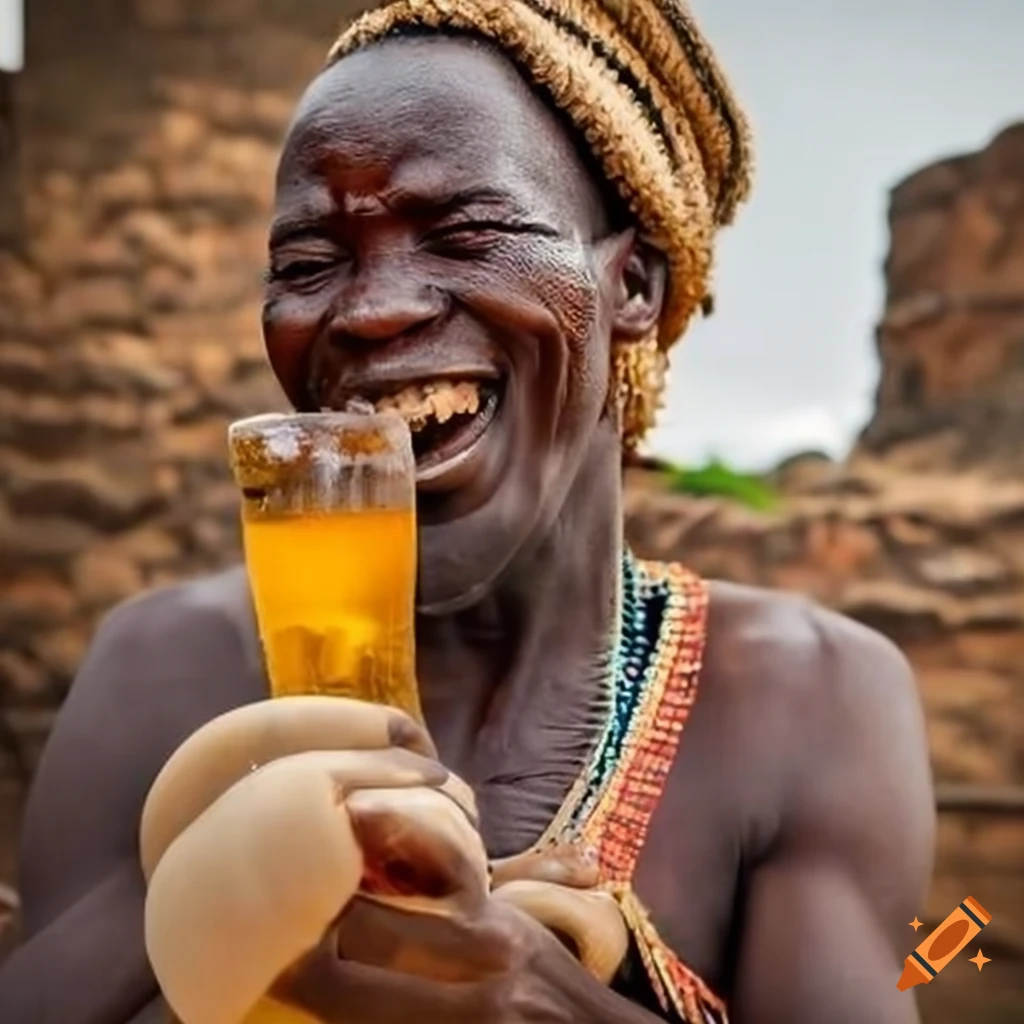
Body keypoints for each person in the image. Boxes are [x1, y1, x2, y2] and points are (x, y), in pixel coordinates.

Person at [0, 2, 936, 1023]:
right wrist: (196, 879)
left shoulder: (805, 698)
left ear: (631, 284)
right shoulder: (161, 667)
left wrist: (553, 1001)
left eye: (468, 234)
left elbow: (941, 961)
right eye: (308, 266)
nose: (370, 310)